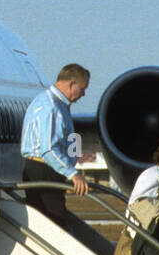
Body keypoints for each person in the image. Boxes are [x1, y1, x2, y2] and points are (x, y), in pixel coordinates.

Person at [20, 64, 100, 244]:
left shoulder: (57, 104)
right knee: (55, 224)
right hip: (42, 168)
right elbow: (48, 149)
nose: (84, 94)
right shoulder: (52, 107)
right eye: (83, 89)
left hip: (46, 169)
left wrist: (71, 165)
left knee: (51, 220)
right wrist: (73, 174)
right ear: (72, 84)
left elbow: (70, 140)